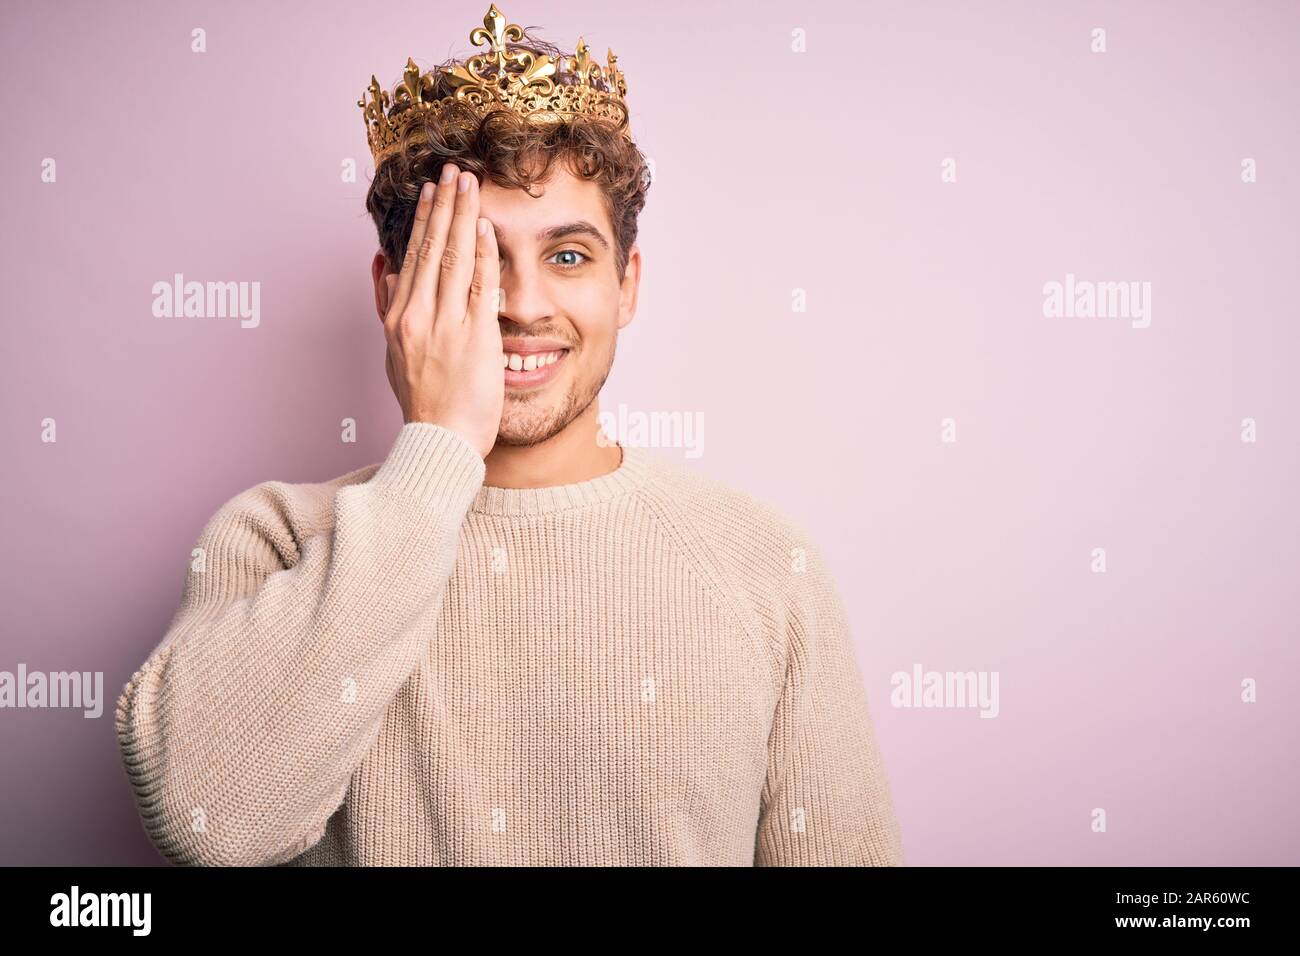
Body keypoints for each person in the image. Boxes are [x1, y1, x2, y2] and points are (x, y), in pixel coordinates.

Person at [113, 3, 905, 867]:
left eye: (568, 255)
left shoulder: (765, 565)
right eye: (473, 260)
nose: (522, 306)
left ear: (626, 284)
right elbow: (209, 824)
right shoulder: (275, 541)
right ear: (392, 291)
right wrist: (441, 445)